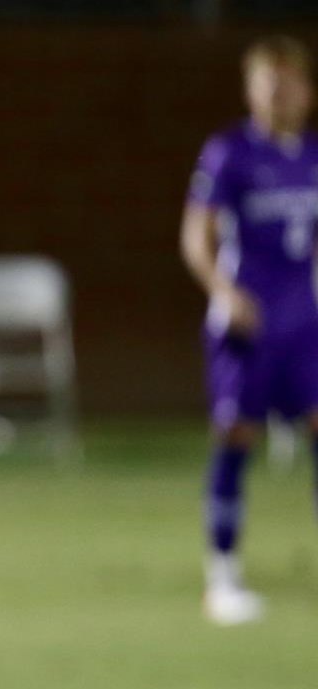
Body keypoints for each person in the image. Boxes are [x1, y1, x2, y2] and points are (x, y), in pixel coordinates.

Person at [182, 35, 318, 625]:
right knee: (236, 433)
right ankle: (223, 576)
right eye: (266, 80)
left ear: (306, 90)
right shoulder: (229, 153)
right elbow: (196, 235)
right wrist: (221, 290)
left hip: (305, 323)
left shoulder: (313, 155)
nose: (277, 91)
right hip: (248, 323)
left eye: (287, 80)